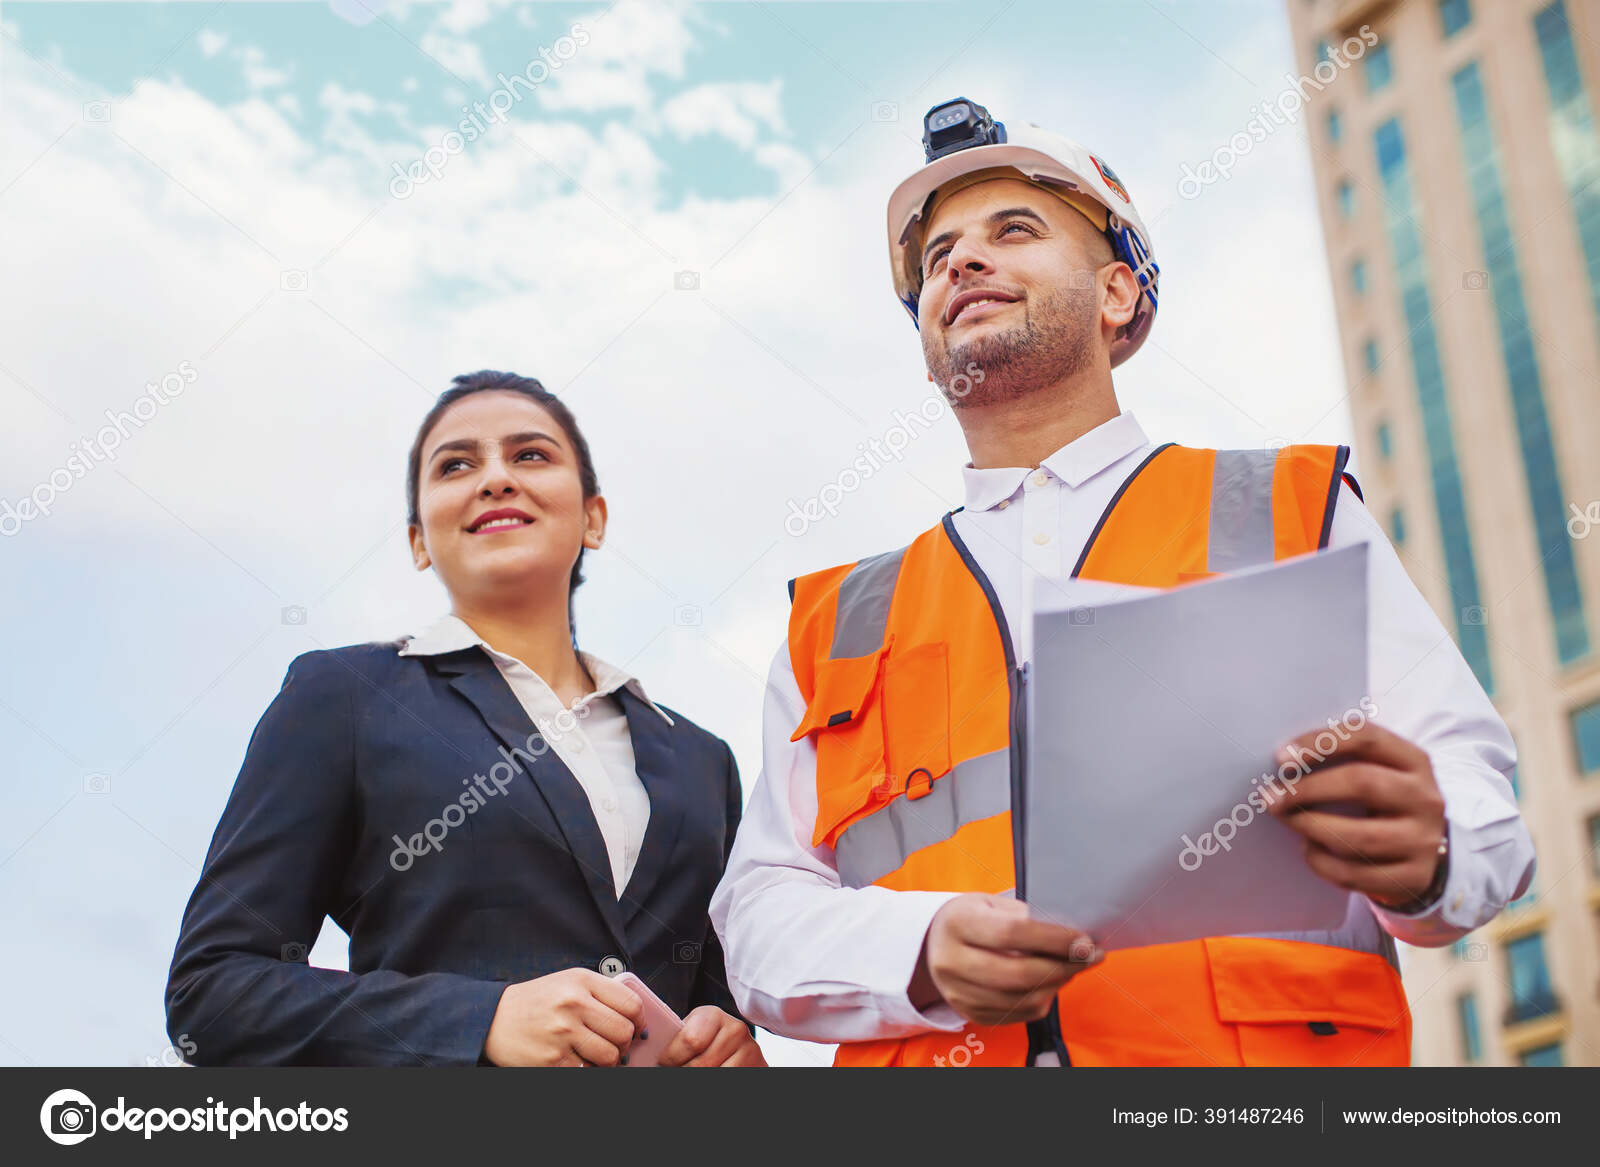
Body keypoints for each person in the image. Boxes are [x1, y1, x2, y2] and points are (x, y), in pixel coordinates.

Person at [710, 99, 1535, 1066]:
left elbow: (1478, 800)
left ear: (1117, 296)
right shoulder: (838, 621)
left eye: (1012, 231)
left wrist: (1433, 857)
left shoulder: (1285, 508)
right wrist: (919, 949)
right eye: (938, 257)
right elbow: (760, 913)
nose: (961, 264)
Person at [166, 370, 763, 1068]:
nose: (496, 478)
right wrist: (482, 1019)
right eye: (456, 465)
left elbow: (721, 1003)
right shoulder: (346, 694)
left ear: (593, 518)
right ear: (419, 540)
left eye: (531, 455)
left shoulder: (701, 757)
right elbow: (212, 997)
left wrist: (729, 1047)